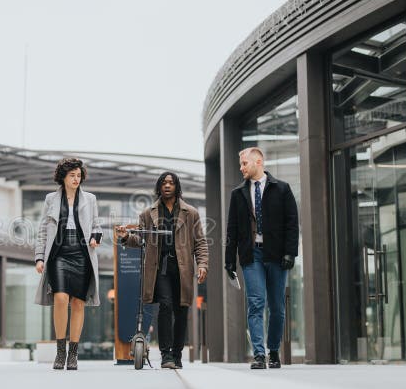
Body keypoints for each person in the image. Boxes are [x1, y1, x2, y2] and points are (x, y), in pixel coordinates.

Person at [115, 172, 208, 369]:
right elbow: (140, 240)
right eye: (164, 183)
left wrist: (202, 264)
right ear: (159, 187)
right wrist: (125, 237)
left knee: (181, 310)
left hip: (183, 268)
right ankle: (166, 355)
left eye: (171, 182)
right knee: (165, 306)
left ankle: (177, 354)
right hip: (160, 268)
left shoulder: (191, 213)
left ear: (176, 186)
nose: (167, 186)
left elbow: (200, 243)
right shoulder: (148, 213)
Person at [224, 147, 299, 369]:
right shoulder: (238, 194)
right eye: (240, 164)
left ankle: (273, 349)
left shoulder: (282, 189)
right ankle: (258, 354)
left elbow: (292, 224)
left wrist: (290, 253)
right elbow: (232, 229)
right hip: (252, 254)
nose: (241, 168)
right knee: (256, 303)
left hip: (277, 254)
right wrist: (229, 260)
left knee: (276, 307)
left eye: (244, 163)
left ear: (258, 162)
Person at [35, 158, 102, 370]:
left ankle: (73, 353)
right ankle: (60, 350)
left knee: (78, 303)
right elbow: (43, 229)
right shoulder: (50, 199)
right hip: (59, 252)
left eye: (79, 175)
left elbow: (97, 225)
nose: (76, 179)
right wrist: (39, 257)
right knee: (61, 298)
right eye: (72, 175)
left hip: (82, 253)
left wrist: (95, 237)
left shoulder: (90, 199)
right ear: (63, 176)